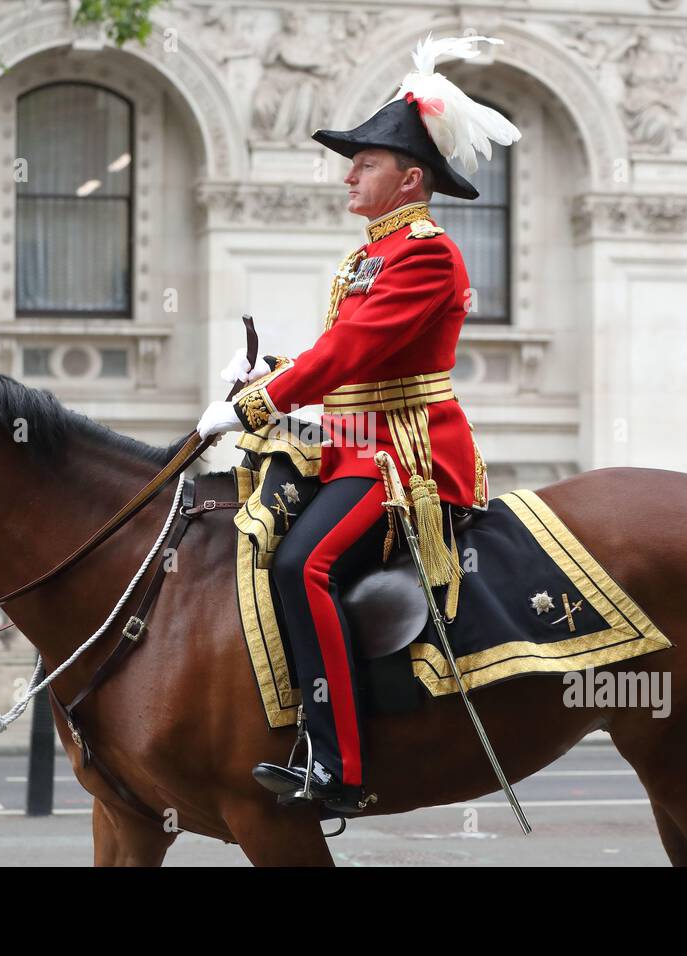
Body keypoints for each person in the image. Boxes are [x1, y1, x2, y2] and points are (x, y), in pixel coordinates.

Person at [197, 34, 521, 815]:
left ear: (410, 180)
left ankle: (335, 761)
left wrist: (255, 405)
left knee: (299, 566)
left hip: (402, 457)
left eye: (365, 163)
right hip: (349, 449)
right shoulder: (368, 258)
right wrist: (269, 378)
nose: (350, 173)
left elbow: (355, 349)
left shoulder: (427, 253)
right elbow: (341, 356)